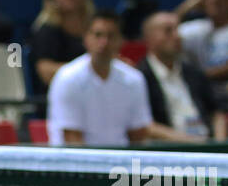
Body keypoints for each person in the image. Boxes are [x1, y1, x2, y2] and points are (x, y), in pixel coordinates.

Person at [47, 10, 153, 146]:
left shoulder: (134, 80)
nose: (104, 42)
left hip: (120, 164)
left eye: (111, 36)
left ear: (121, 41)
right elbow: (72, 141)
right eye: (98, 35)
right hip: (74, 163)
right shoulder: (67, 78)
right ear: (86, 38)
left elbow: (138, 136)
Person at [137, 11, 227, 141]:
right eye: (168, 31)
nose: (177, 36)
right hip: (168, 152)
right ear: (149, 39)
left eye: (177, 29)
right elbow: (144, 125)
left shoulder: (193, 71)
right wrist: (189, 142)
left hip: (206, 148)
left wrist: (220, 146)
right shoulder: (140, 77)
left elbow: (217, 112)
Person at [30, 0, 93, 92]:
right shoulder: (46, 30)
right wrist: (90, 69)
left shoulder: (95, 24)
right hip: (61, 94)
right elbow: (46, 73)